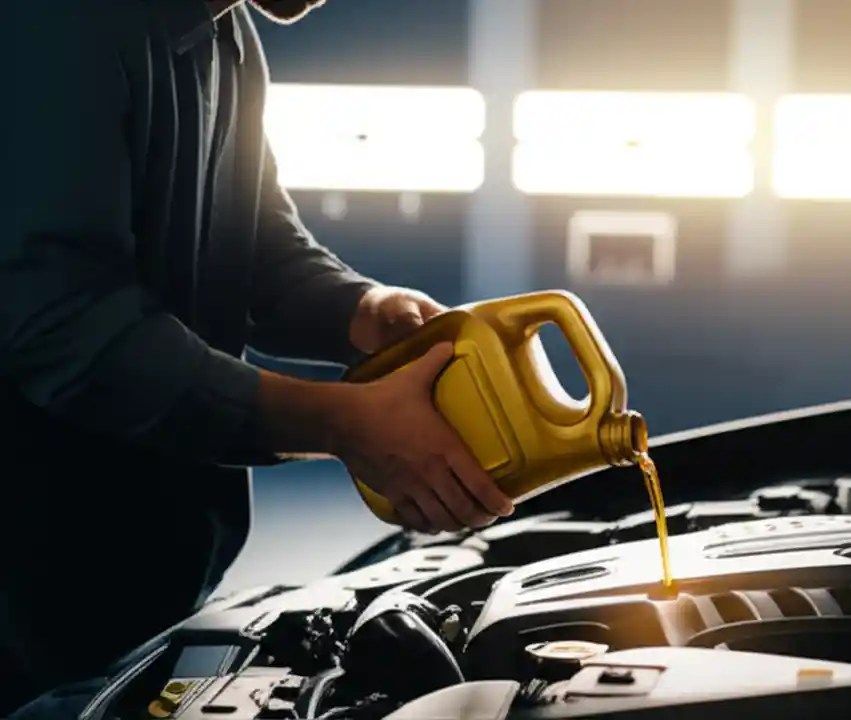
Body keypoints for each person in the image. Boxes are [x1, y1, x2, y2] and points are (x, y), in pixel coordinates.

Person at [0, 0, 513, 713]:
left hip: (145, 570)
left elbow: (256, 247)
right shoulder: (51, 26)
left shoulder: (228, 32)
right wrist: (341, 425)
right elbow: (65, 328)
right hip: (28, 588)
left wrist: (360, 311)